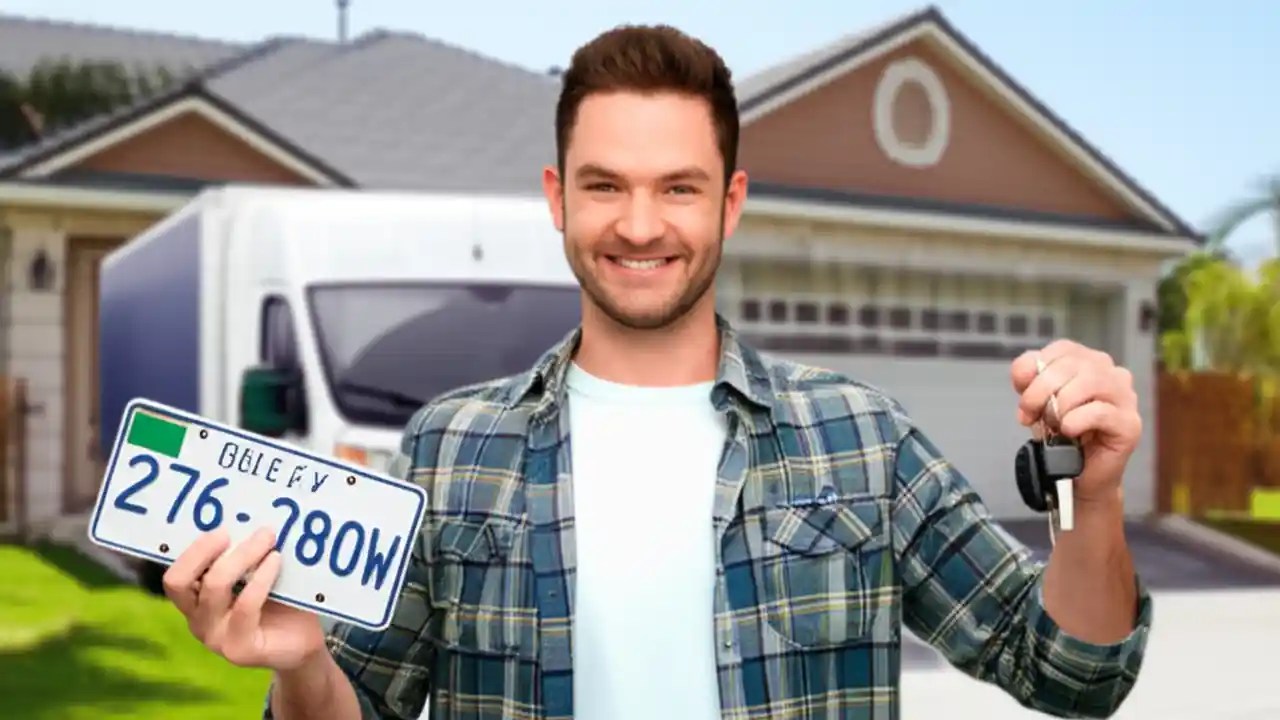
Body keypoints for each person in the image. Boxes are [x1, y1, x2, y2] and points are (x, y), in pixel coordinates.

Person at [161, 23, 1152, 720]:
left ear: (729, 202)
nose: (639, 226)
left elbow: (1067, 674)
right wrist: (297, 667)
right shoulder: (449, 450)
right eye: (606, 186)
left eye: (676, 187)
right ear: (557, 197)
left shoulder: (861, 439)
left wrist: (1088, 499)